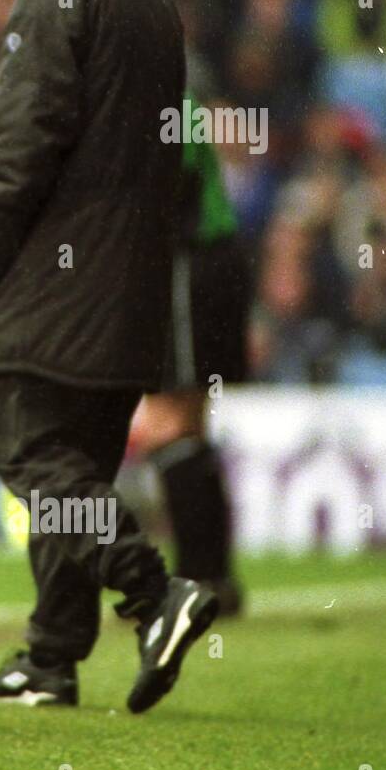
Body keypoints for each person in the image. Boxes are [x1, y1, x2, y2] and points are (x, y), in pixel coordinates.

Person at [0, 0, 218, 714]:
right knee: (75, 468)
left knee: (28, 453)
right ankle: (51, 655)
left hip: (60, 282)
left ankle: (154, 590)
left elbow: (22, 150)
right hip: (135, 285)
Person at [131, 131, 251, 616]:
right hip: (209, 262)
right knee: (192, 424)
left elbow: (167, 187)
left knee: (166, 423)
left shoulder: (161, 97)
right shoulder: (175, 92)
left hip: (187, 266)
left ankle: (195, 583)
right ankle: (215, 580)